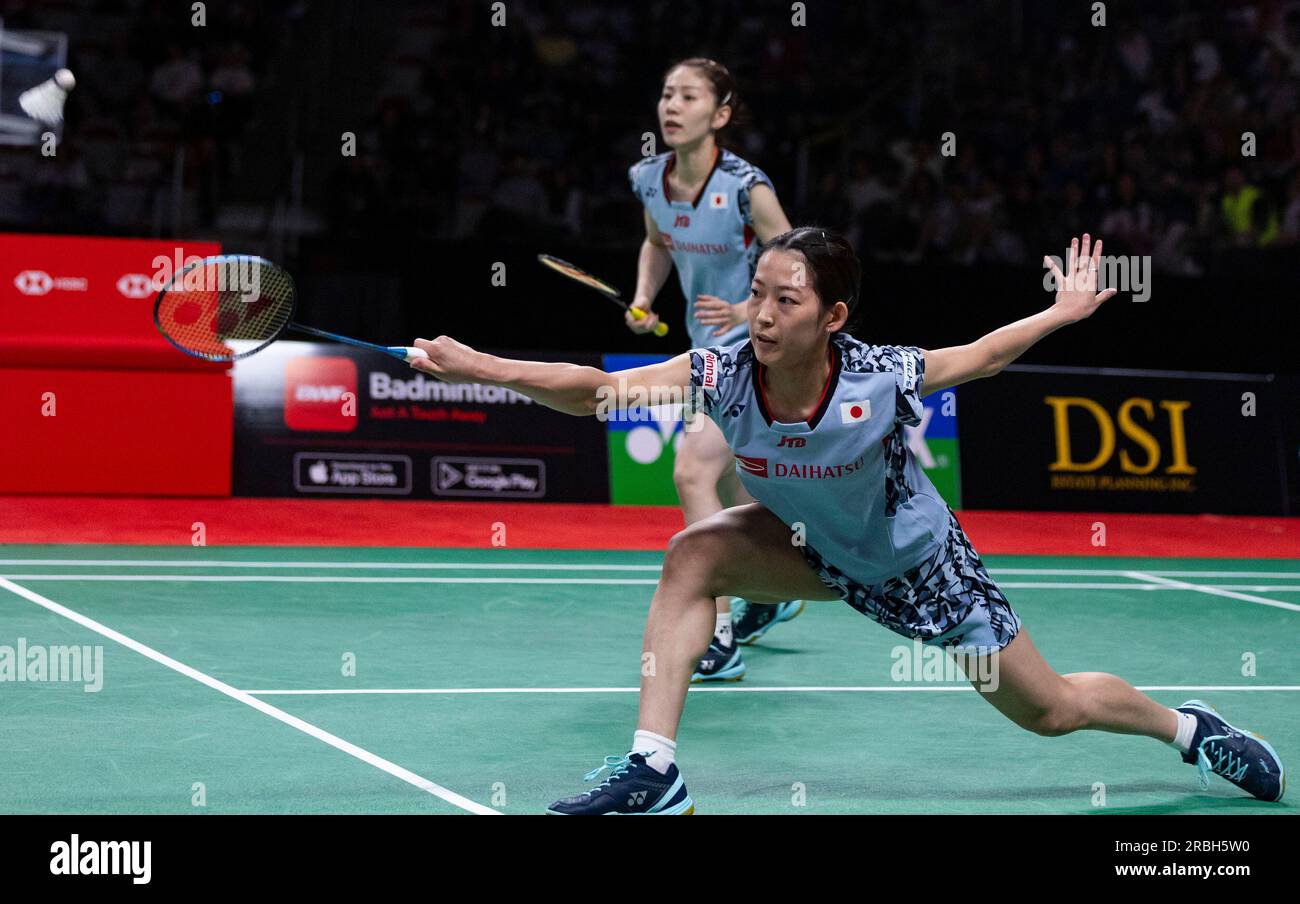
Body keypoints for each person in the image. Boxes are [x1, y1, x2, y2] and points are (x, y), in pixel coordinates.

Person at [409, 228, 1285, 815]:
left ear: (831, 317)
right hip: (808, 549)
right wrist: (479, 363)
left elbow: (977, 360)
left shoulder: (879, 377)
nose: (761, 313)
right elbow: (598, 393)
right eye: (757, 293)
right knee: (690, 558)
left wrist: (1061, 311)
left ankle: (1191, 731)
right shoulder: (722, 371)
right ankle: (655, 769)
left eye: (785, 301)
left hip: (920, 568)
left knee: (1049, 712)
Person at [624, 58, 799, 680]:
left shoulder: (748, 187)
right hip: (704, 350)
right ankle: (770, 590)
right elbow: (656, 243)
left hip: (754, 351)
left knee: (692, 468)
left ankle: (717, 635)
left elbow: (797, 264)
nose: (672, 105)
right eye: (667, 93)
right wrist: (645, 297)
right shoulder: (649, 179)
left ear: (719, 114)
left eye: (689, 96)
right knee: (737, 491)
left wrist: (754, 303)